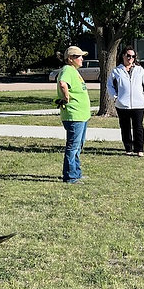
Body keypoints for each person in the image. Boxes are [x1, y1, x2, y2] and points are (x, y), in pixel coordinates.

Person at [56, 45, 91, 184]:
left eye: (82, 56)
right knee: (73, 146)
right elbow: (62, 83)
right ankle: (70, 177)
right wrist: (66, 97)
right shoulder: (67, 70)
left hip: (81, 115)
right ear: (70, 59)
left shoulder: (74, 71)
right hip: (74, 115)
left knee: (78, 145)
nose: (81, 58)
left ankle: (76, 172)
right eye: (78, 56)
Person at [106, 47, 144, 156]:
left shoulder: (139, 70)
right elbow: (109, 85)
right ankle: (128, 148)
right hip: (122, 105)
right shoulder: (116, 71)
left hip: (138, 104)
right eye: (128, 56)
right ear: (123, 56)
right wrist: (115, 97)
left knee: (138, 127)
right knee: (125, 127)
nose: (131, 58)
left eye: (133, 56)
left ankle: (139, 149)